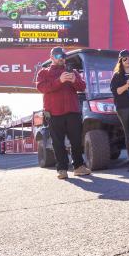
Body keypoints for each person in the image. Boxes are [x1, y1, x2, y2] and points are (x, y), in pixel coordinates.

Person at [36, 47, 90, 179]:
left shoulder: (73, 72)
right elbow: (41, 88)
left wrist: (74, 81)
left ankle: (79, 167)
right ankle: (62, 169)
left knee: (76, 141)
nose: (61, 58)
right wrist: (59, 81)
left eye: (63, 56)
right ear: (51, 57)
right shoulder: (43, 72)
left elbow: (83, 87)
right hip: (53, 113)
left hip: (73, 111)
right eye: (58, 56)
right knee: (57, 142)